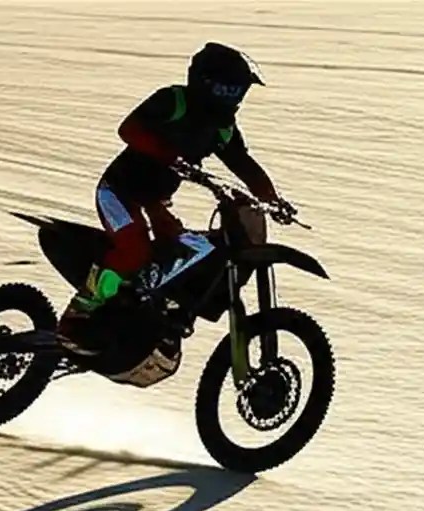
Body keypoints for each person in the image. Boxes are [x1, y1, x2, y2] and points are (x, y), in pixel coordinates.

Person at [57, 41, 295, 354]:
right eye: (226, 89)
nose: (232, 98)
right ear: (205, 83)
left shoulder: (222, 128)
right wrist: (169, 155)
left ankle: (147, 316)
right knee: (134, 249)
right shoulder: (174, 101)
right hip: (119, 192)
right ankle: (79, 315)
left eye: (237, 91)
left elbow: (243, 165)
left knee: (178, 253)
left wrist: (273, 200)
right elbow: (128, 129)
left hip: (154, 201)